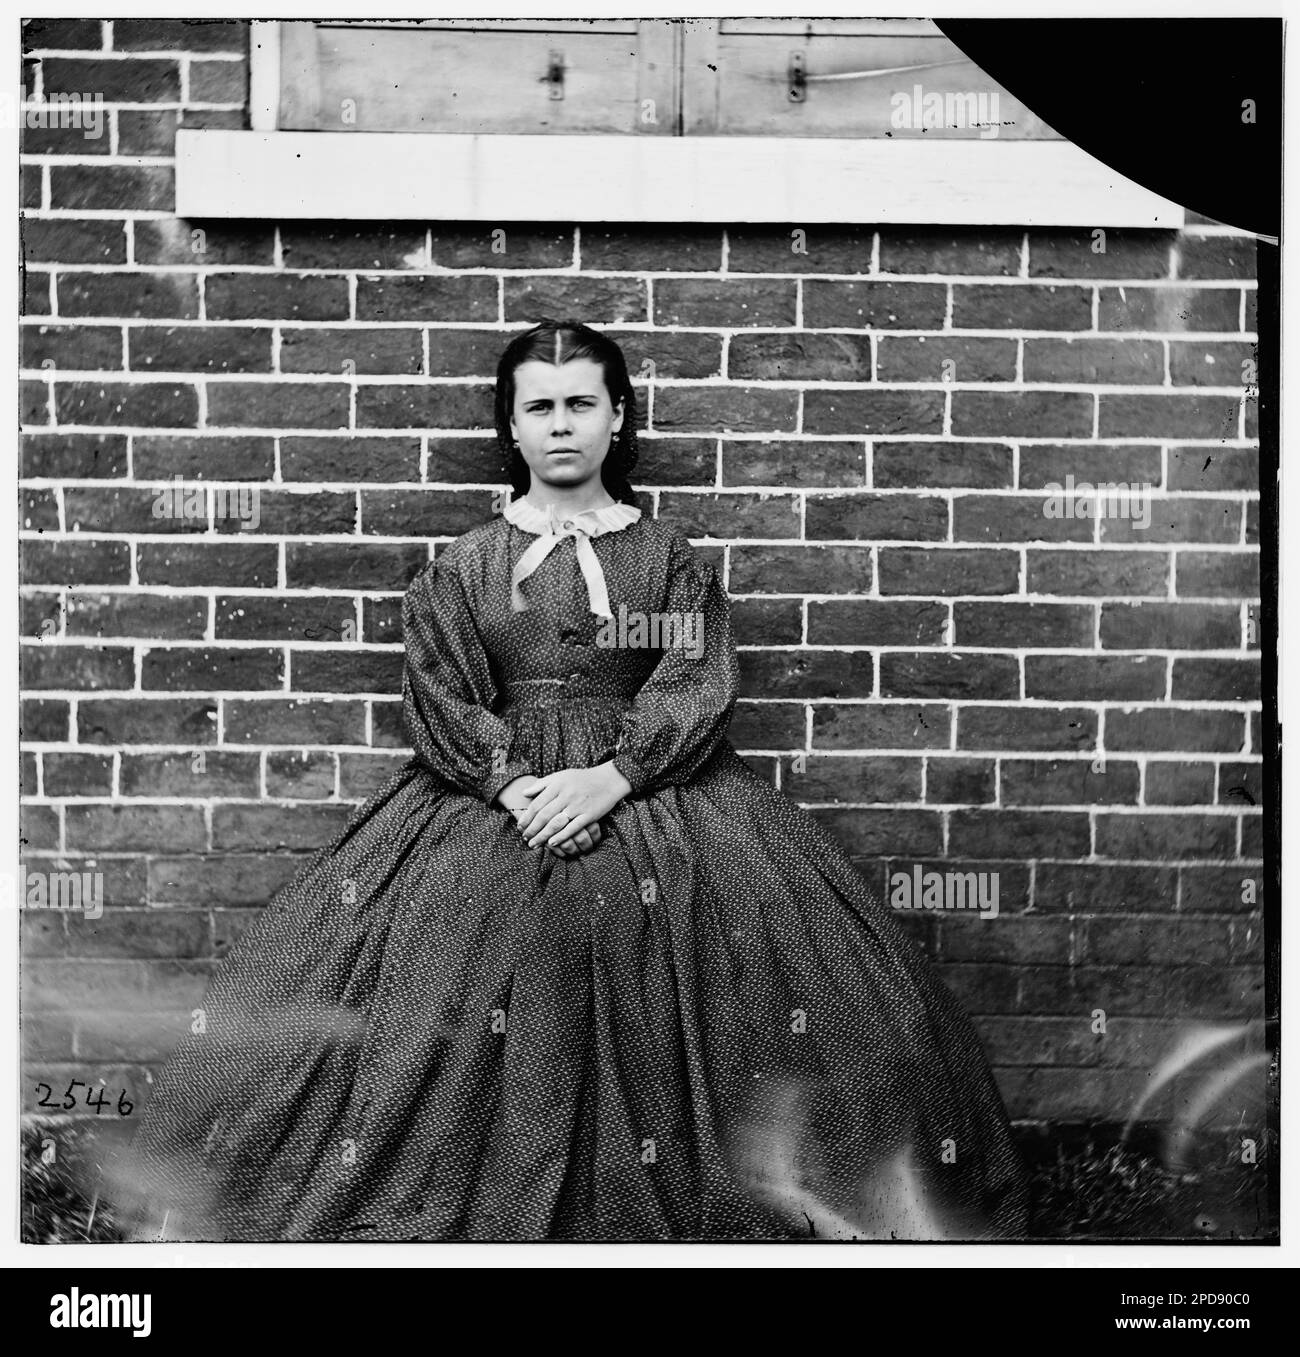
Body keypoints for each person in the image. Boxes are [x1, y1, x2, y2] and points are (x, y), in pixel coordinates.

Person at [118, 318, 1029, 1243]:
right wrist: (512, 785)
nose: (561, 425)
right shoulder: (467, 566)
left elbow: (695, 678)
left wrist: (614, 776)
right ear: (509, 428)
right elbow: (439, 689)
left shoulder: (665, 559)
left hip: (658, 797)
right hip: (489, 803)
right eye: (539, 407)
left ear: (618, 417)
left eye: (581, 404)